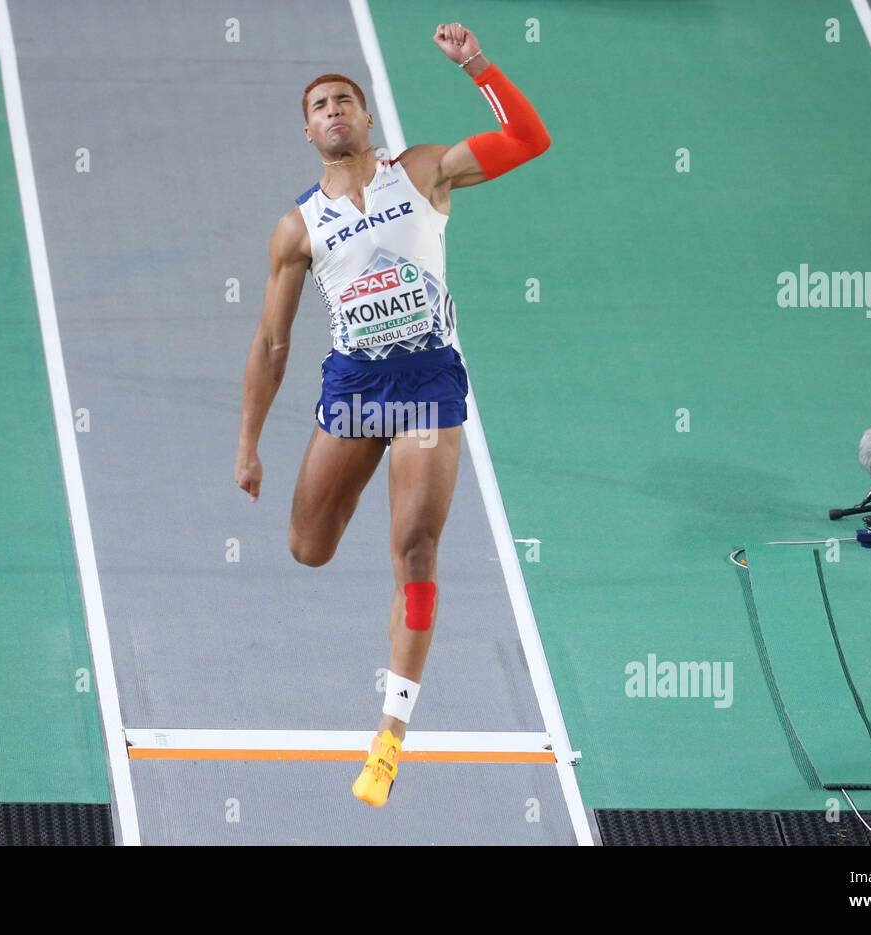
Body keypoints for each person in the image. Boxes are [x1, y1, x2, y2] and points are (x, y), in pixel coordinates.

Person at [235, 22, 550, 806]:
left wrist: (476, 64)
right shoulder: (298, 227)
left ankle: (388, 738)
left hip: (425, 388)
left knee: (414, 547)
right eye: (320, 105)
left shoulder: (423, 173)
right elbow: (272, 343)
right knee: (310, 548)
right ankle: (386, 719)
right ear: (307, 131)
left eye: (346, 99)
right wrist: (248, 444)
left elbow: (529, 138)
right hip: (351, 391)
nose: (334, 109)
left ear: (368, 118)